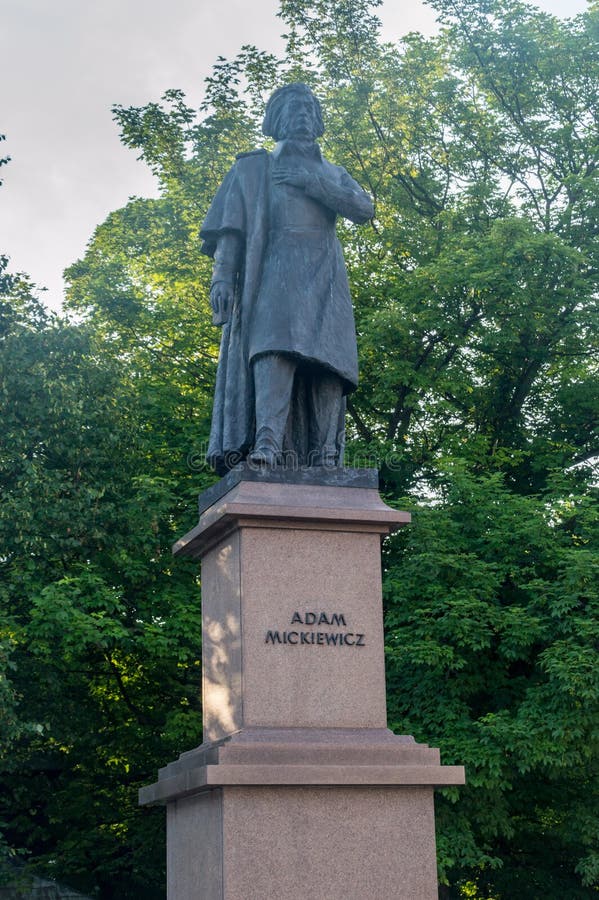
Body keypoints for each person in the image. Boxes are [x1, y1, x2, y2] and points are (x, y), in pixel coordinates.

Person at [200, 83, 373, 473]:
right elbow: (232, 228)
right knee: (271, 349)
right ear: (275, 120)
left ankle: (326, 455)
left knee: (331, 363)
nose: (303, 115)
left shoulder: (333, 173)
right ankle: (267, 442)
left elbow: (364, 209)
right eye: (293, 109)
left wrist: (311, 182)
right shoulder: (253, 167)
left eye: (310, 109)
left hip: (325, 274)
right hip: (274, 267)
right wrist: (222, 276)